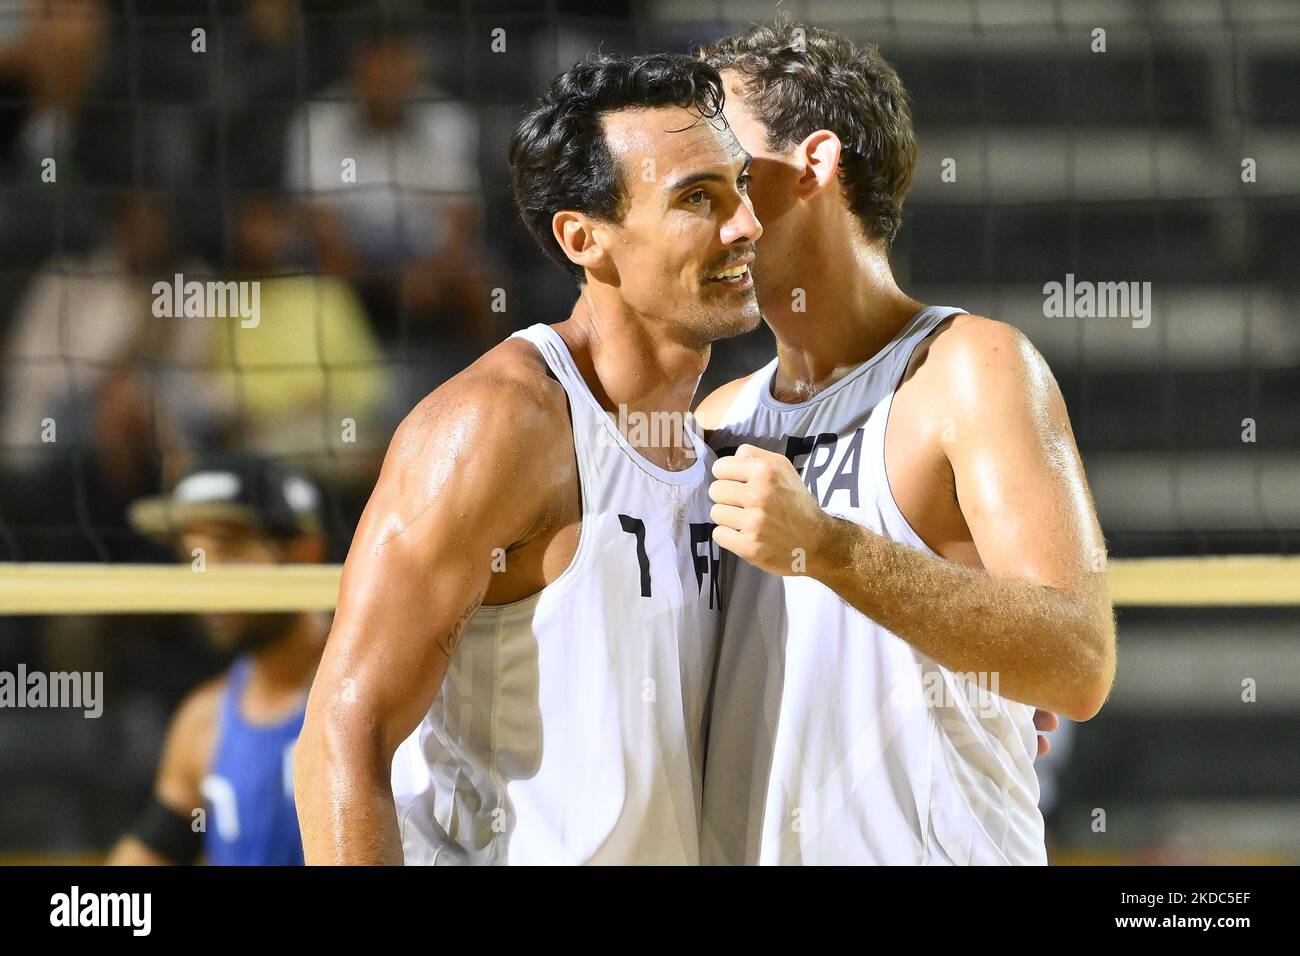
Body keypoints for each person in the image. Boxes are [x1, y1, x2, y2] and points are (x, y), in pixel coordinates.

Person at [293, 53, 761, 865]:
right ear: (585, 239)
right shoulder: (501, 423)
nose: (746, 224)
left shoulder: (716, 440)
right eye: (697, 198)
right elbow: (343, 731)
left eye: (741, 187)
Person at [692, 20, 1115, 865]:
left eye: (728, 164)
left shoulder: (970, 367)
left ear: (815, 162)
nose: (709, 197)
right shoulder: (714, 418)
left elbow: (1078, 659)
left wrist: (831, 548)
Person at [107, 456, 329, 865]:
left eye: (227, 550)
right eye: (193, 556)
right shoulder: (202, 721)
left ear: (304, 551)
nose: (206, 580)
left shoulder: (383, 694)